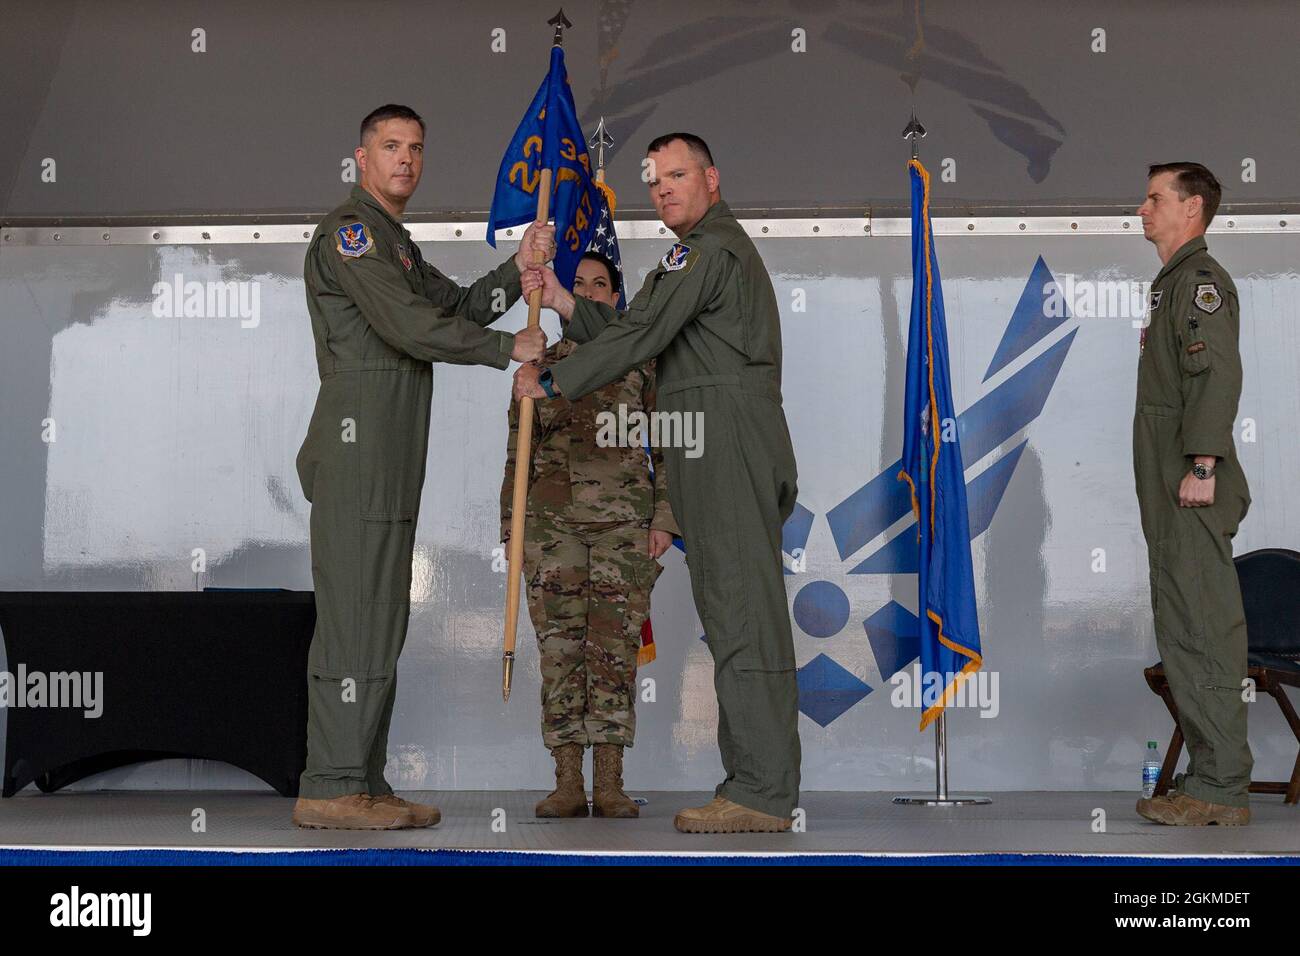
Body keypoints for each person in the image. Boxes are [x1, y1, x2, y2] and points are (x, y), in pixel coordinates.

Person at [514, 133, 801, 834]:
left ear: (713, 177)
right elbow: (638, 325)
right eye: (655, 179)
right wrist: (560, 300)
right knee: (733, 618)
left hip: (724, 443)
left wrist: (552, 377)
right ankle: (753, 784)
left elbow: (639, 334)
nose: (664, 188)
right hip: (708, 442)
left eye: (678, 174)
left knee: (744, 622)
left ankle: (761, 792)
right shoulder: (701, 254)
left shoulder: (706, 249)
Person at [292, 104, 552, 830]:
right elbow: (408, 326)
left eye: (416, 148)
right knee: (355, 615)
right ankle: (332, 783)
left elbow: (461, 304)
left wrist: (520, 267)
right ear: (361, 158)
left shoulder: (392, 241)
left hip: (393, 446)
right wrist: (507, 350)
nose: (406, 159)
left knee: (380, 613)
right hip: (360, 446)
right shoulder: (351, 235)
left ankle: (362, 781)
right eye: (390, 147)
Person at [501, 251, 678, 819]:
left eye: (600, 286)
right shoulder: (536, 369)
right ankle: (566, 783)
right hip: (551, 531)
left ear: (616, 300)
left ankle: (609, 782)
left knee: (612, 652)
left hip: (623, 527)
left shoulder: (641, 365)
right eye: (578, 284)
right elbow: (516, 458)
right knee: (559, 651)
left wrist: (665, 519)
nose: (590, 292)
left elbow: (668, 445)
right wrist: (512, 528)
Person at [1132, 162, 1252, 826]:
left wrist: (1203, 465)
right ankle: (1209, 779)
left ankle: (1222, 787)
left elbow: (1215, 379)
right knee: (1184, 627)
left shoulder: (1200, 285)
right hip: (1172, 491)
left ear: (1193, 208)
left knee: (1203, 627)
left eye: (1155, 199)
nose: (1142, 210)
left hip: (1191, 487)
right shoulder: (1172, 285)